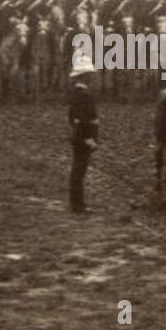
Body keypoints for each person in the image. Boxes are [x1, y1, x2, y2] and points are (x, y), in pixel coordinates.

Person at [68, 53, 99, 213]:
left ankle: (76, 202)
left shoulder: (76, 93)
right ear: (85, 76)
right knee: (79, 171)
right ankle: (78, 204)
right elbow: (81, 118)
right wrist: (88, 138)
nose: (92, 77)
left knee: (78, 171)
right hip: (83, 138)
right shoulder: (83, 95)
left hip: (79, 136)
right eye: (90, 75)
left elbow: (72, 117)